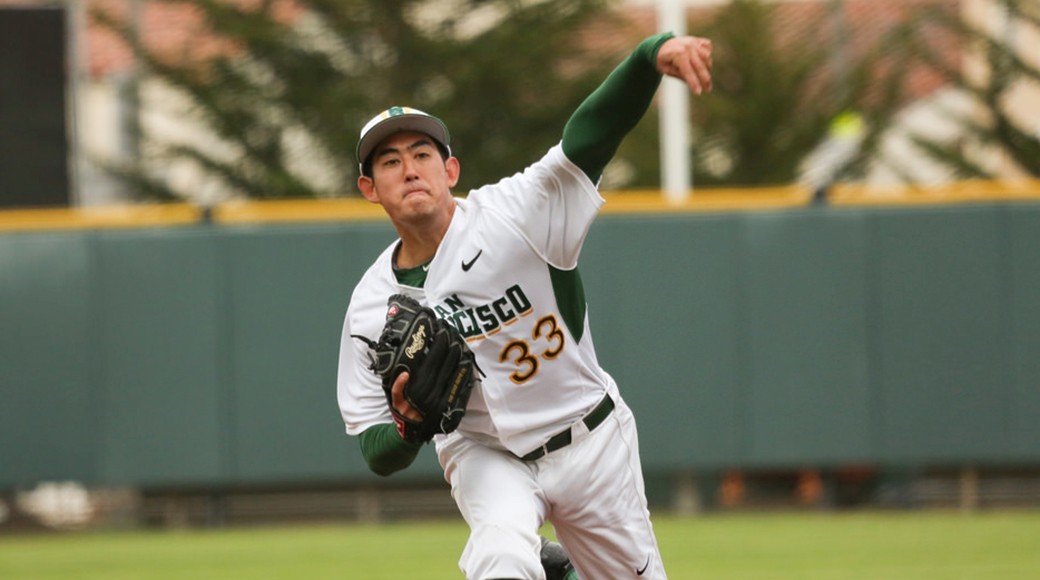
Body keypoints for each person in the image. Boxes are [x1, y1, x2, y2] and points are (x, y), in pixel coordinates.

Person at [337, 31, 713, 580]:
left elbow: (586, 141)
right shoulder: (372, 304)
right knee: (501, 559)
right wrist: (410, 427)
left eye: (422, 154)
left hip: (590, 438)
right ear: (370, 188)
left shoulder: (512, 215)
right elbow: (374, 445)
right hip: (485, 453)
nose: (410, 169)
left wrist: (646, 58)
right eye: (391, 162)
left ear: (451, 171)